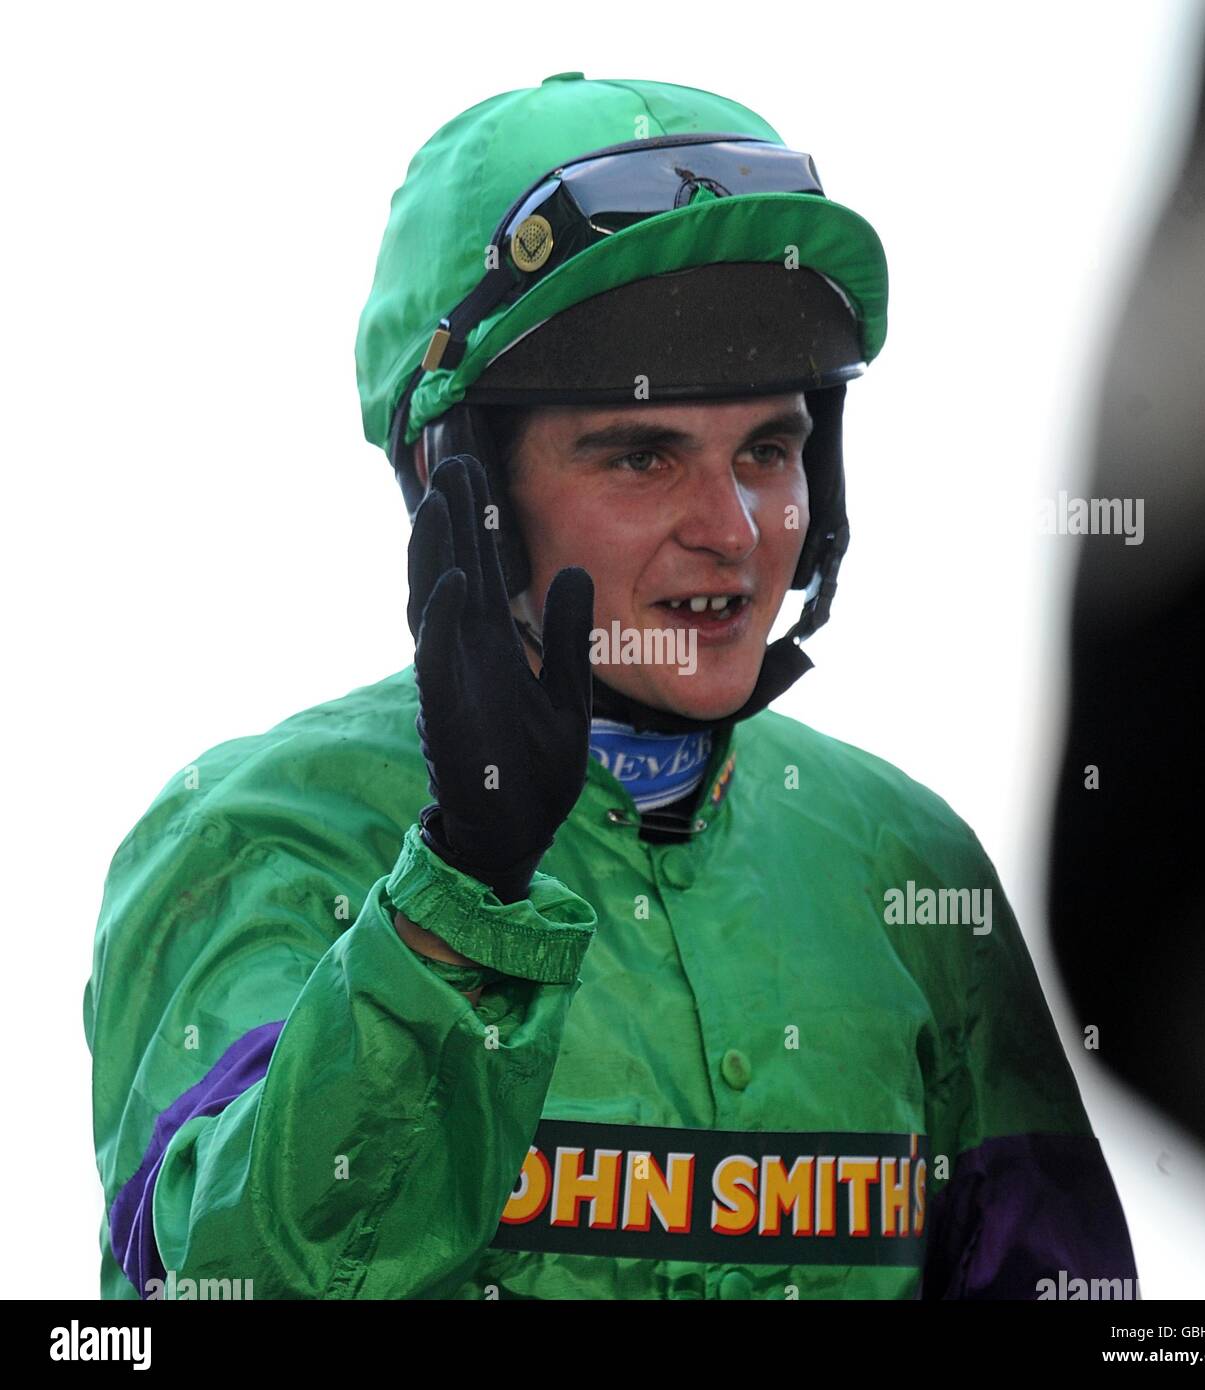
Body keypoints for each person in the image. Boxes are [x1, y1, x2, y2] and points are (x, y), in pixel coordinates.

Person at [86, 73, 1137, 1300]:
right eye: (643, 456)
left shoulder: (913, 865)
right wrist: (457, 900)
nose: (734, 531)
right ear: (455, 487)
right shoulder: (251, 836)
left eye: (770, 448)